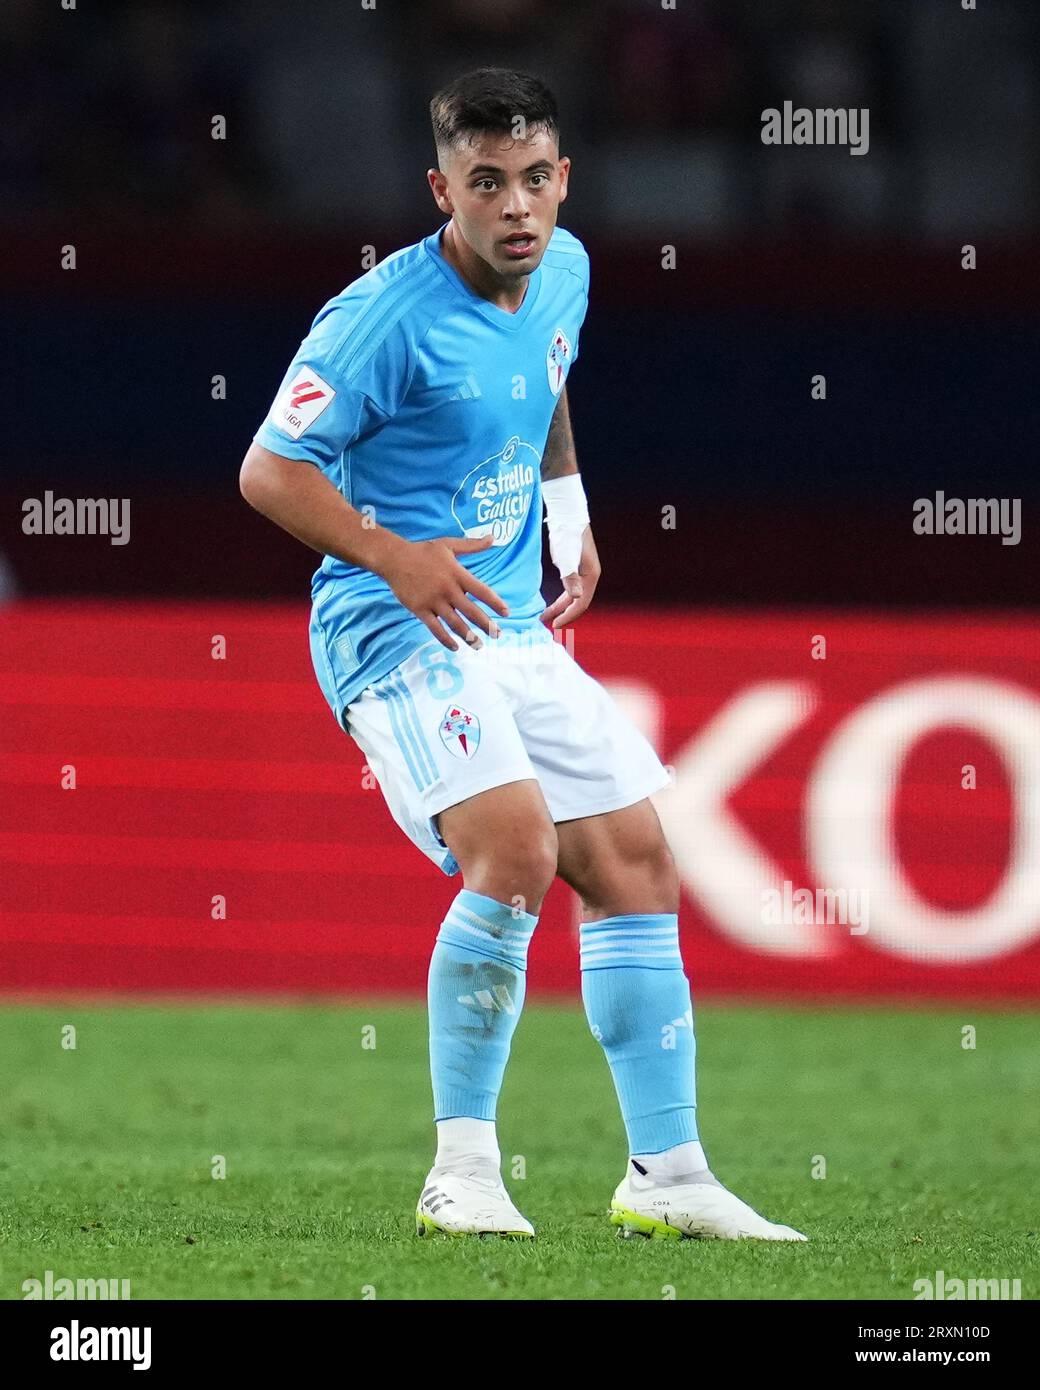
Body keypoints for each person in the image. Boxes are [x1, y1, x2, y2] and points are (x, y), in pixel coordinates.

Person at [240, 66, 805, 1243]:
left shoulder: (569, 272)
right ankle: (461, 1171)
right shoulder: (379, 318)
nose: (513, 206)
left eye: (533, 178)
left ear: (562, 179)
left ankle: (669, 1173)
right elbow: (268, 470)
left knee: (639, 858)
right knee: (513, 849)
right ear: (440, 187)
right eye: (484, 182)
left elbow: (539, 384)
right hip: (390, 623)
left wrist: (568, 517)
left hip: (501, 618)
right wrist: (391, 555)